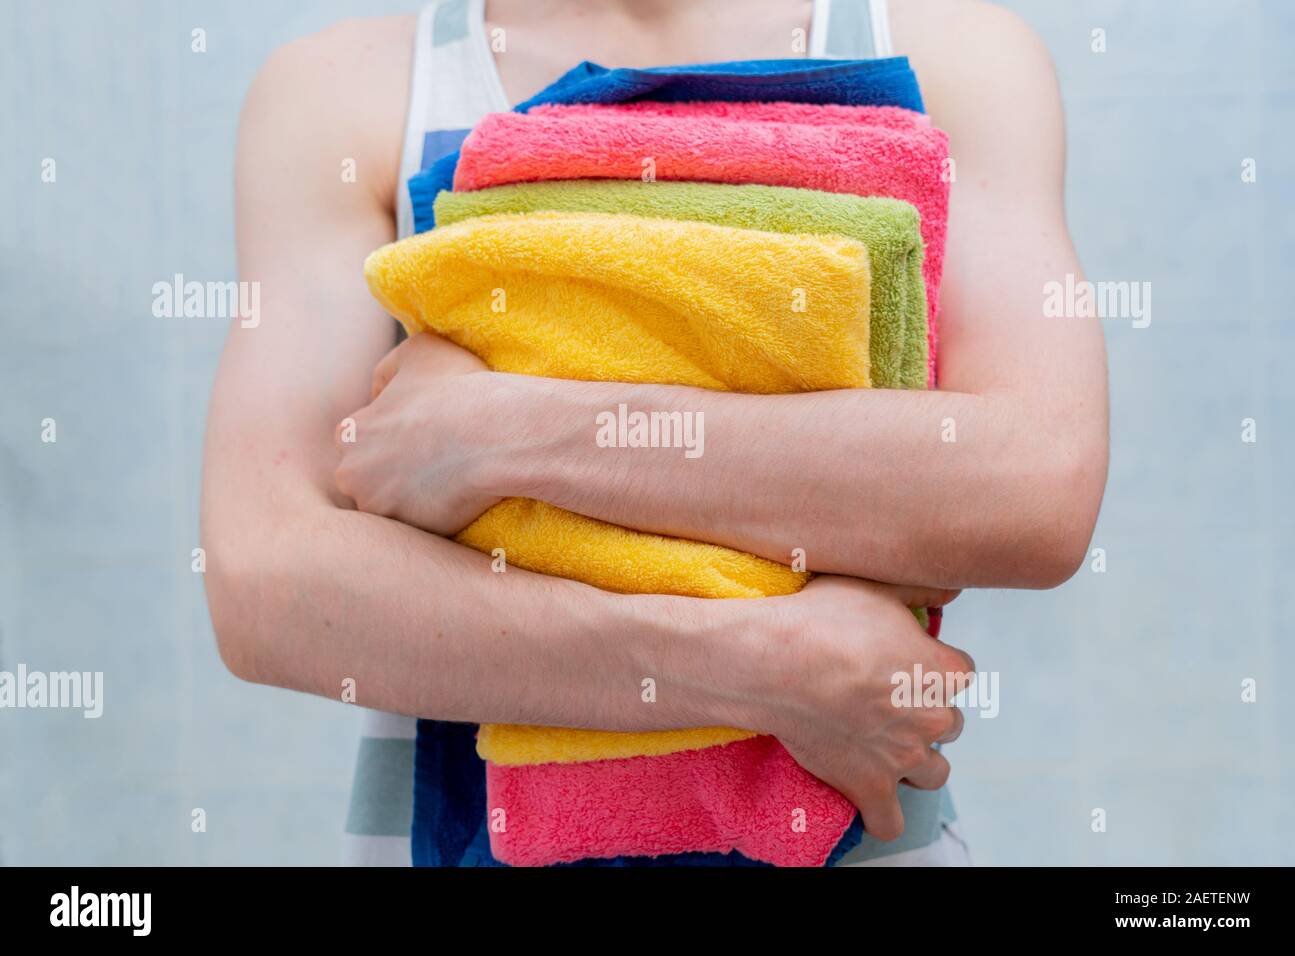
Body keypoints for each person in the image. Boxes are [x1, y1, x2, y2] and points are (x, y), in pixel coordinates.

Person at [201, 0, 1108, 866]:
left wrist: (506, 433)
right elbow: (266, 582)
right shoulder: (345, 92)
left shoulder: (954, 58)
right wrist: (755, 667)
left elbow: (1033, 486)